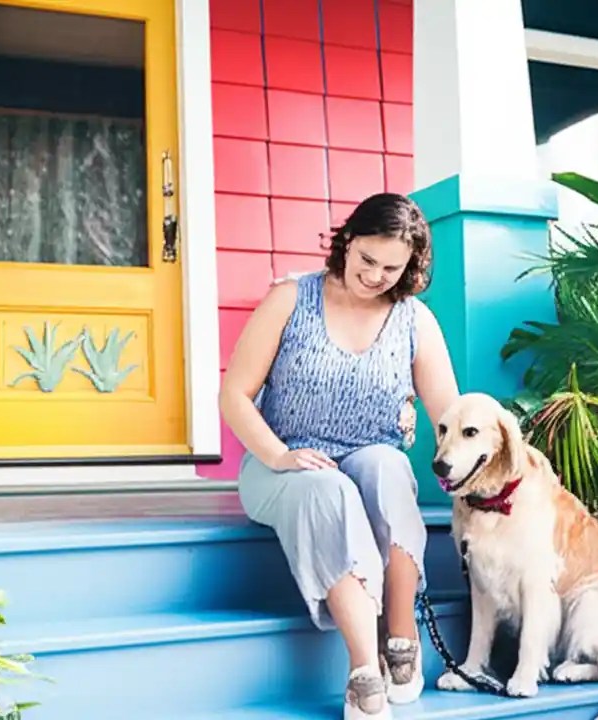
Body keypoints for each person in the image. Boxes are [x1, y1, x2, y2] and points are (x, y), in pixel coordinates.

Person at [220, 192, 459, 719]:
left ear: (410, 268)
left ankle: (401, 635)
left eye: (390, 268)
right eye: (367, 259)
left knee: (388, 466)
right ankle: (362, 669)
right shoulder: (291, 298)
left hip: (366, 457)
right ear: (347, 242)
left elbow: (449, 414)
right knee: (328, 489)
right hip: (282, 463)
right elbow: (234, 395)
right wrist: (281, 456)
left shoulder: (414, 320)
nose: (374, 275)